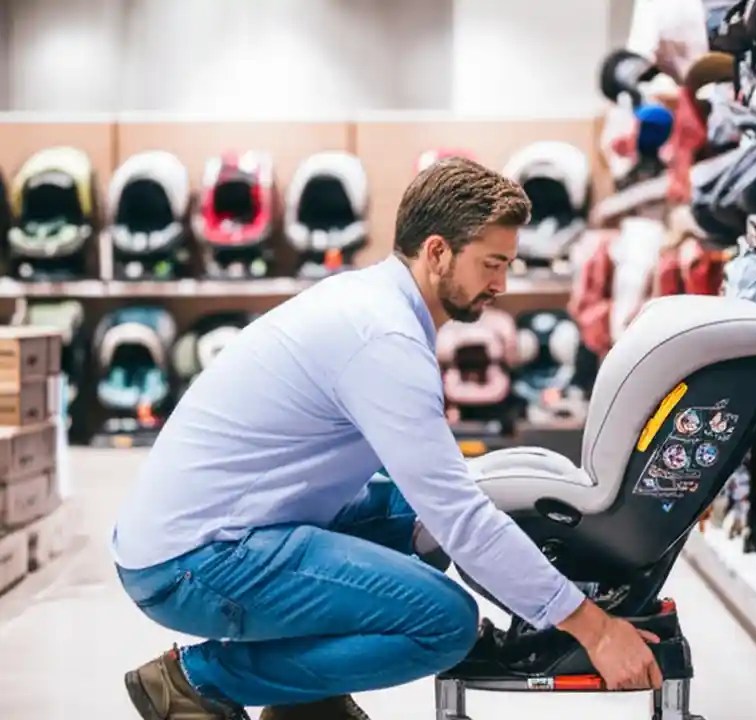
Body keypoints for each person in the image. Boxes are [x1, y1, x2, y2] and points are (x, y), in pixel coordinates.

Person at [111, 157, 663, 720]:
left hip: (218, 526)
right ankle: (195, 680)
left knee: (409, 518)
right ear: (437, 251)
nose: (501, 283)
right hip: (191, 562)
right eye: (492, 264)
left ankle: (307, 703)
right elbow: (462, 518)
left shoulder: (372, 302)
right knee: (444, 622)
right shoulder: (385, 341)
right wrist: (593, 629)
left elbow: (439, 508)